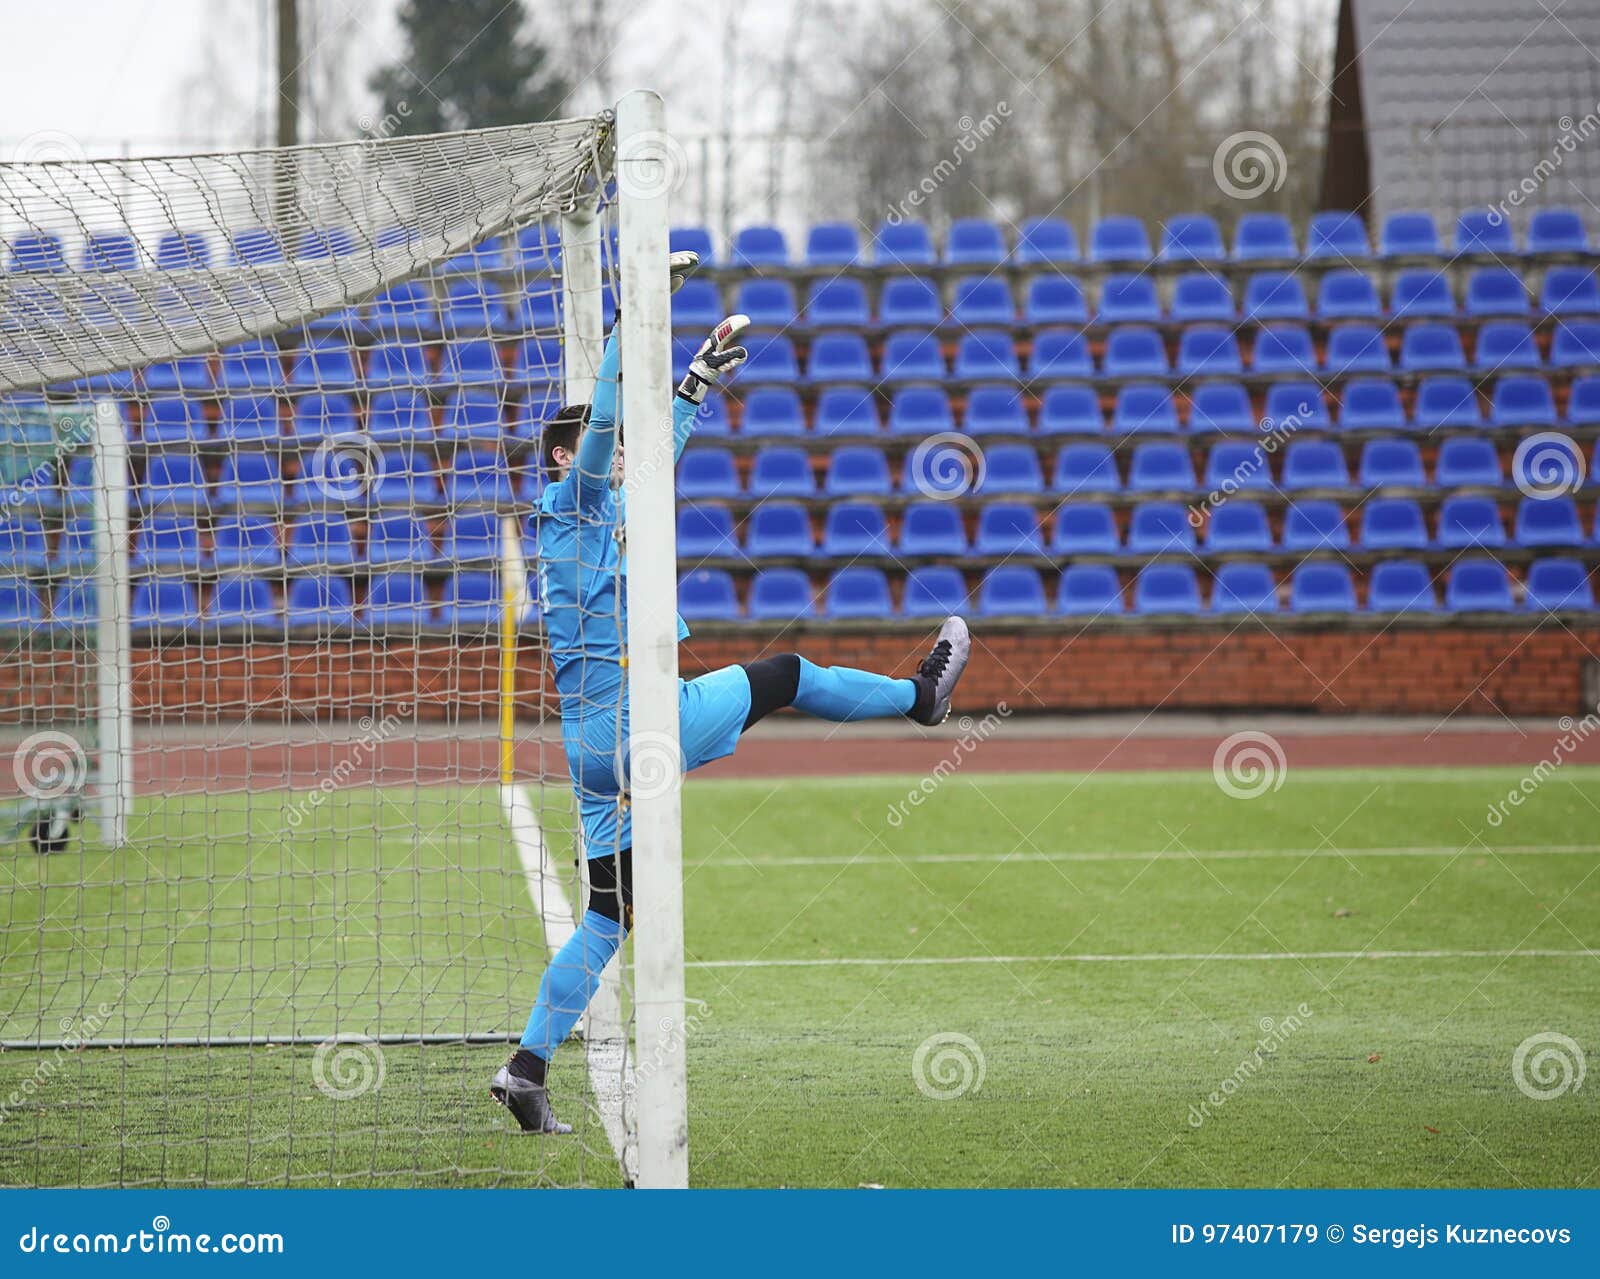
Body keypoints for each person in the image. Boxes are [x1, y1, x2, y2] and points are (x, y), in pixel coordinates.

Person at [491, 251, 970, 1134]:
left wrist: (694, 383)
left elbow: (648, 453)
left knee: (608, 913)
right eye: (601, 441)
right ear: (565, 453)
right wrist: (639, 302)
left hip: (594, 745)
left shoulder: (586, 521)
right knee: (783, 675)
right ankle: (919, 699)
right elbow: (605, 421)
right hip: (643, 723)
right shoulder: (575, 497)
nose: (619, 446)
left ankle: (526, 1067)